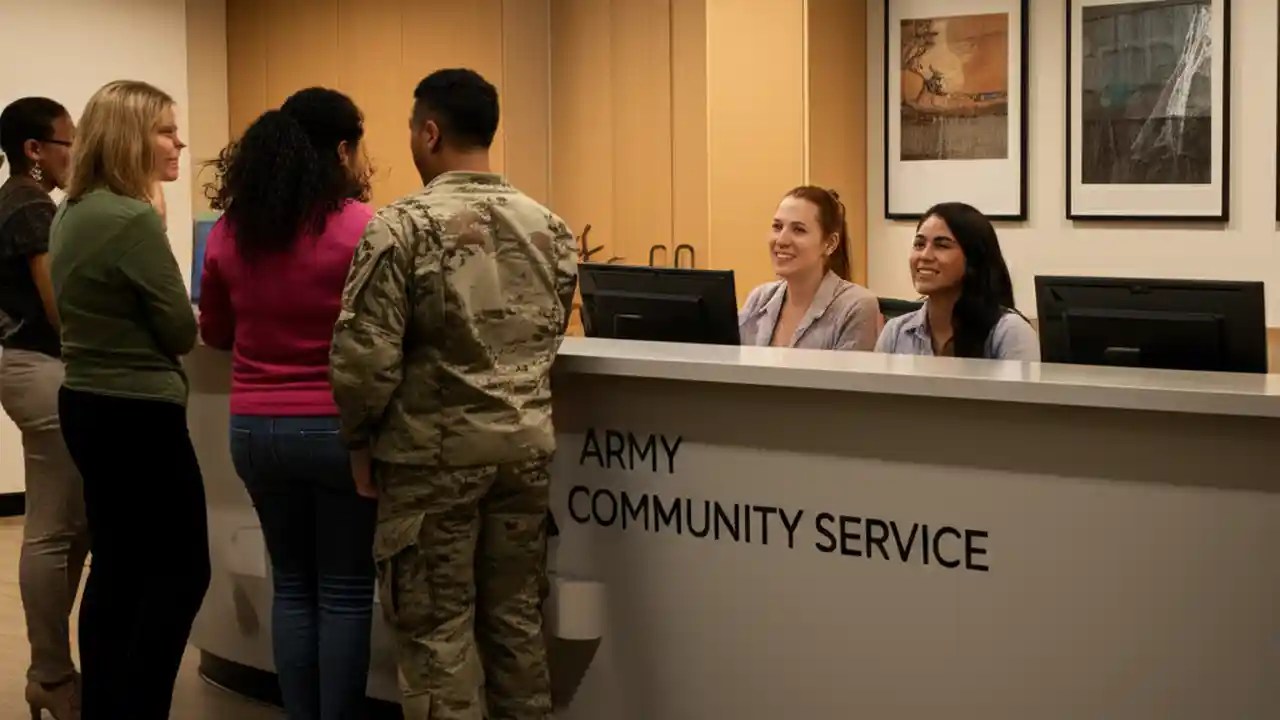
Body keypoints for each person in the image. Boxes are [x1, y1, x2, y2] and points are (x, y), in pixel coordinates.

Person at [330, 68, 578, 720]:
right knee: (516, 623)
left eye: (413, 131)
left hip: (432, 459)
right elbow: (547, 336)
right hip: (523, 453)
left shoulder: (401, 227)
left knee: (437, 632)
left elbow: (364, 360)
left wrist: (359, 442)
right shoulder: (550, 229)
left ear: (430, 132)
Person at [199, 87, 377, 720]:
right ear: (340, 150)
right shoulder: (362, 228)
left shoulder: (230, 231)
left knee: (292, 587)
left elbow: (215, 334)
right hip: (336, 434)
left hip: (254, 431)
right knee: (347, 592)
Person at [48, 80, 209, 720]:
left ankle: (108, 705)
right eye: (167, 130)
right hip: (140, 412)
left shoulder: (71, 210)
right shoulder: (131, 217)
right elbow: (180, 329)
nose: (180, 141)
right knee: (180, 572)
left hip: (87, 403)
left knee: (117, 569)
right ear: (130, 136)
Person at [0, 97, 89, 720]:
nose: (74, 153)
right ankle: (51, 677)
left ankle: (52, 670)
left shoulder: (17, 199)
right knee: (55, 527)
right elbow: (57, 302)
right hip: (39, 368)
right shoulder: (29, 202)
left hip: (25, 366)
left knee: (72, 523)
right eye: (67, 142)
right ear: (35, 151)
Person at [875, 201, 1039, 361]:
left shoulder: (1010, 333)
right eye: (919, 244)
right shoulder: (895, 332)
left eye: (942, 246)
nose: (924, 256)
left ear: (973, 258)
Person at [738, 186, 878, 349]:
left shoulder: (856, 306)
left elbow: (847, 374)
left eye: (798, 230)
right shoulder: (759, 298)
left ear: (830, 243)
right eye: (777, 227)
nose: (782, 240)